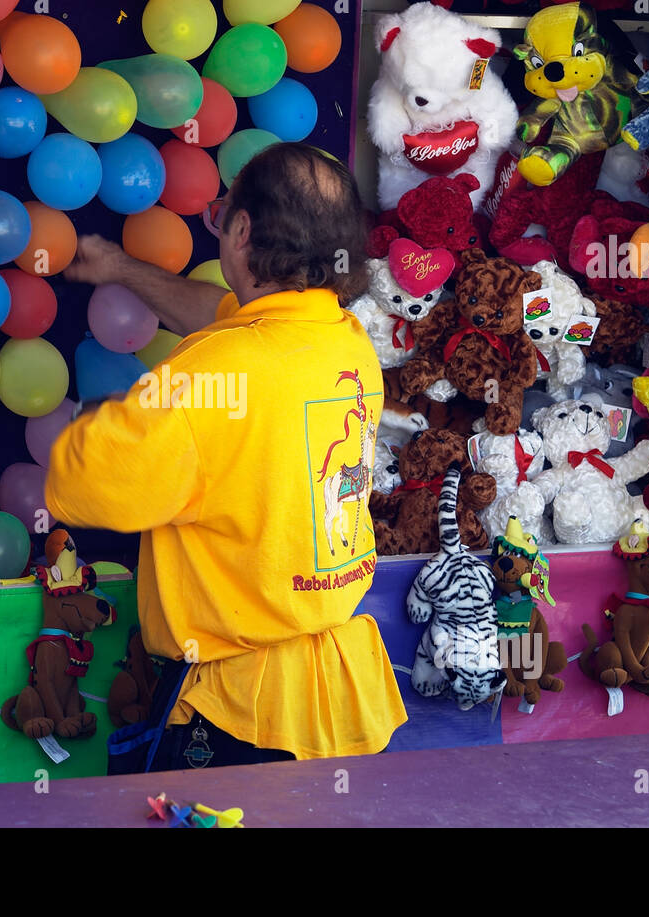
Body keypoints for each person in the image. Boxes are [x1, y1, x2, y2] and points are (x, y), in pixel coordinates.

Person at [45, 143, 406, 771]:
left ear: (240, 229)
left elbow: (87, 489)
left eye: (222, 215)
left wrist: (99, 420)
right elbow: (226, 322)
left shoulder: (205, 376)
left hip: (237, 711)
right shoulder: (343, 341)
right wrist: (123, 269)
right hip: (328, 689)